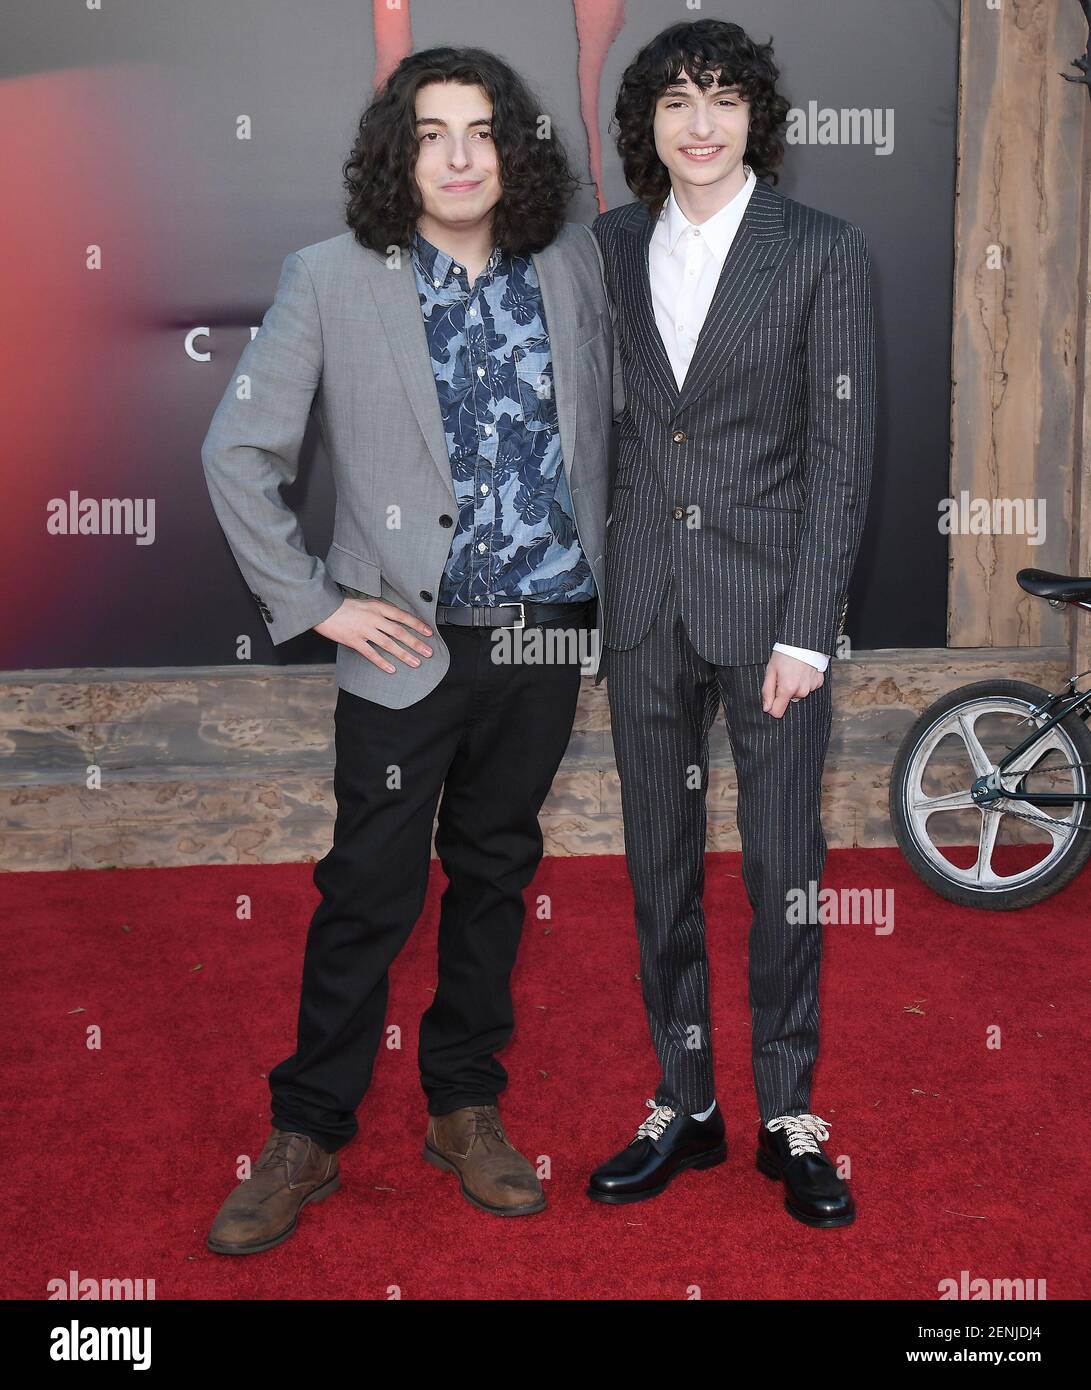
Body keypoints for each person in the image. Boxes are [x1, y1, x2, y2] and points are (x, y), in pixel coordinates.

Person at [200, 46, 614, 1252]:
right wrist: (318, 602)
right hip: (402, 644)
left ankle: (464, 1107)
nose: (459, 156)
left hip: (545, 637)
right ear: (400, 152)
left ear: (513, 148)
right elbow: (238, 454)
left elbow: (618, 437)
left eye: (482, 131)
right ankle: (309, 1128)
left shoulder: (574, 266)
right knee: (368, 890)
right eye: (432, 133)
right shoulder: (331, 278)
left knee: (495, 874)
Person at [586, 18, 876, 1227]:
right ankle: (686, 1097)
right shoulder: (600, 249)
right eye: (673, 103)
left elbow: (842, 451)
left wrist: (808, 628)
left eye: (720, 99)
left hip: (771, 617)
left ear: (753, 116)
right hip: (644, 604)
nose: (698, 123)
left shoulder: (819, 250)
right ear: (645, 127)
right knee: (656, 869)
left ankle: (786, 1110)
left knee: (781, 870)